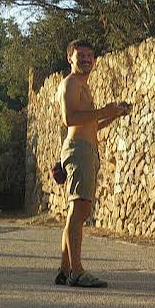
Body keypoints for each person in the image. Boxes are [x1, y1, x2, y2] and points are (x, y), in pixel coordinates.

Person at [54, 39, 131, 288]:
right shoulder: (71, 84)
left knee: (77, 212)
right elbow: (70, 119)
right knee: (79, 211)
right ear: (70, 58)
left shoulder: (83, 86)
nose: (86, 59)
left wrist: (112, 114)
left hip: (85, 149)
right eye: (81, 55)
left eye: (89, 55)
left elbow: (89, 125)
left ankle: (65, 269)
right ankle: (77, 272)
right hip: (79, 151)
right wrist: (103, 110)